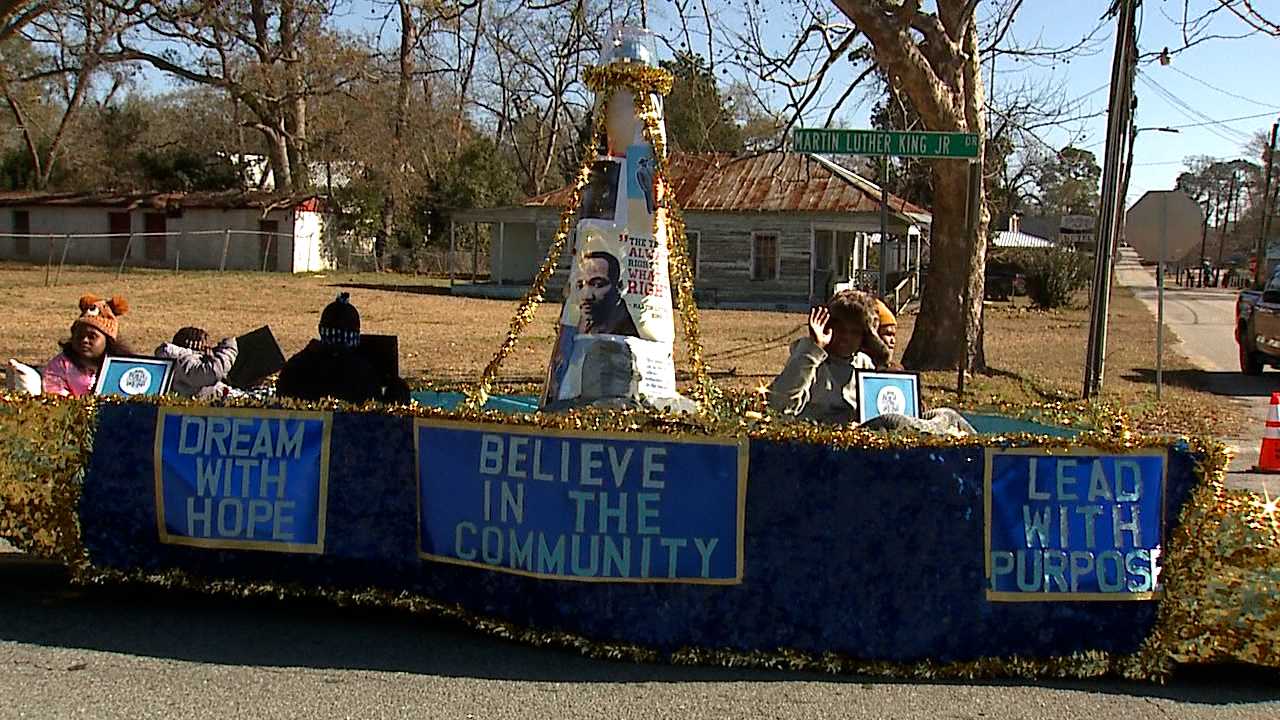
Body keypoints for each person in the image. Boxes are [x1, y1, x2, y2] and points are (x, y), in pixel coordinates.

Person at [767, 289, 886, 423]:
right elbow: (779, 406)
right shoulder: (810, 361)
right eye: (840, 329)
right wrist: (814, 347)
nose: (846, 337)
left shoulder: (864, 365)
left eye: (854, 332)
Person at [276, 293, 410, 404]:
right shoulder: (362, 373)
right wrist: (396, 390)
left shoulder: (294, 367)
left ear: (320, 330)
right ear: (356, 335)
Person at [42, 294, 134, 397]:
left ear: (108, 340)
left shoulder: (122, 366)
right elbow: (55, 395)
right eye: (79, 335)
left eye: (92, 336)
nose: (84, 340)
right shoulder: (60, 365)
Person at [155, 327, 239, 400]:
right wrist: (230, 349)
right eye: (204, 346)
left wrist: (210, 360)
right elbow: (213, 372)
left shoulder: (184, 364)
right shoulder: (182, 361)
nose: (206, 349)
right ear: (193, 344)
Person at [577, 251, 639, 337]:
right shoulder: (586, 322)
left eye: (597, 284)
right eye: (581, 285)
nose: (587, 296)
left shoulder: (624, 329)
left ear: (618, 287)